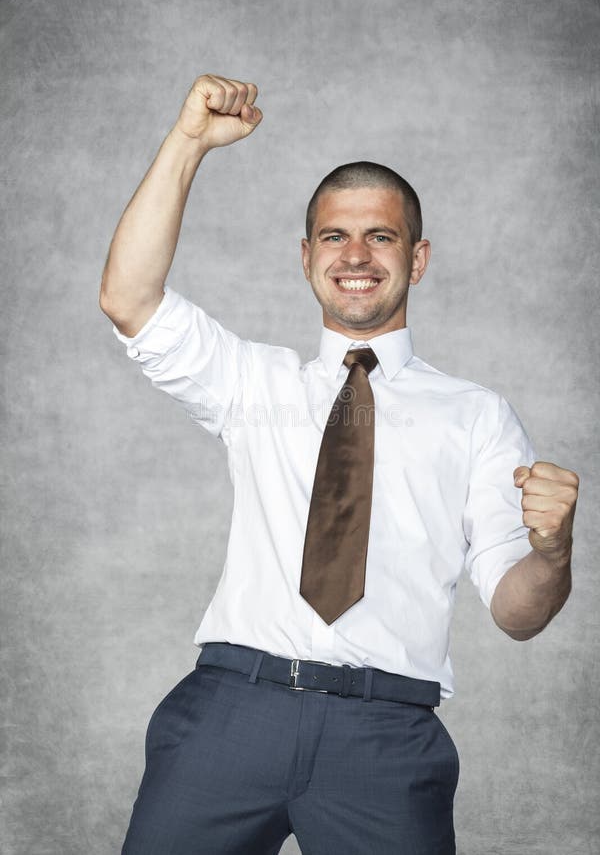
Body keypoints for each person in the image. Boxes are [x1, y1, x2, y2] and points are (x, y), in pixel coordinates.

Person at [99, 74, 579, 855]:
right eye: (334, 237)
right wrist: (189, 142)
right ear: (306, 257)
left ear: (417, 258)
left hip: (384, 739)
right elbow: (128, 296)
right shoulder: (254, 383)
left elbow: (517, 613)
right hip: (231, 714)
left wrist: (553, 552)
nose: (356, 255)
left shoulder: (477, 417)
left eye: (381, 237)